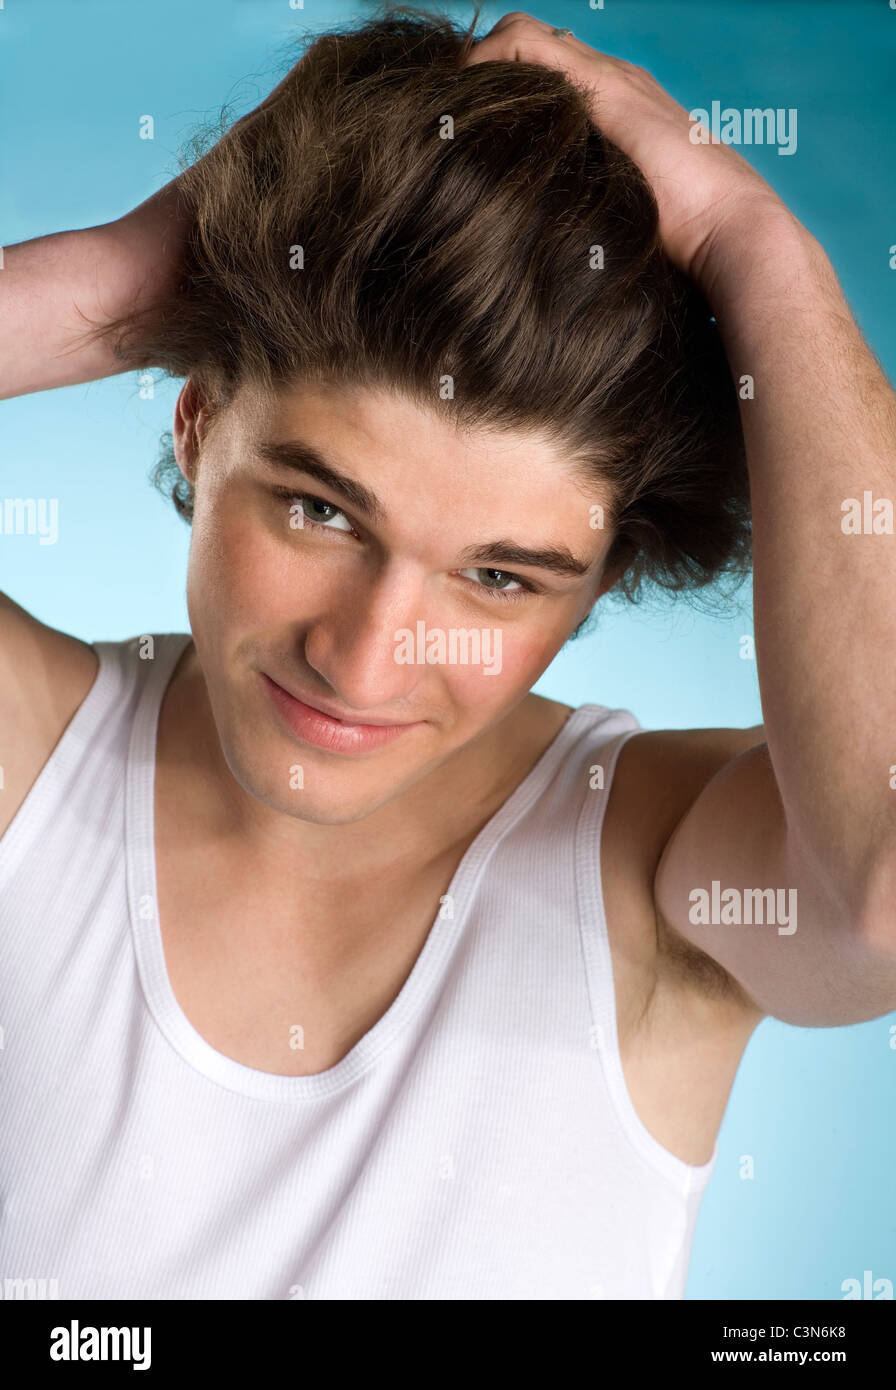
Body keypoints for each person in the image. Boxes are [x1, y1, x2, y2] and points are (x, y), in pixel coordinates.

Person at [2, 4, 895, 1301]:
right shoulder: (31, 767)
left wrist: (757, 246)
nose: (364, 662)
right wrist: (123, 280)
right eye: (320, 510)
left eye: (497, 578)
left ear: (596, 589)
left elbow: (882, 876)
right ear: (194, 422)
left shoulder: (652, 878)